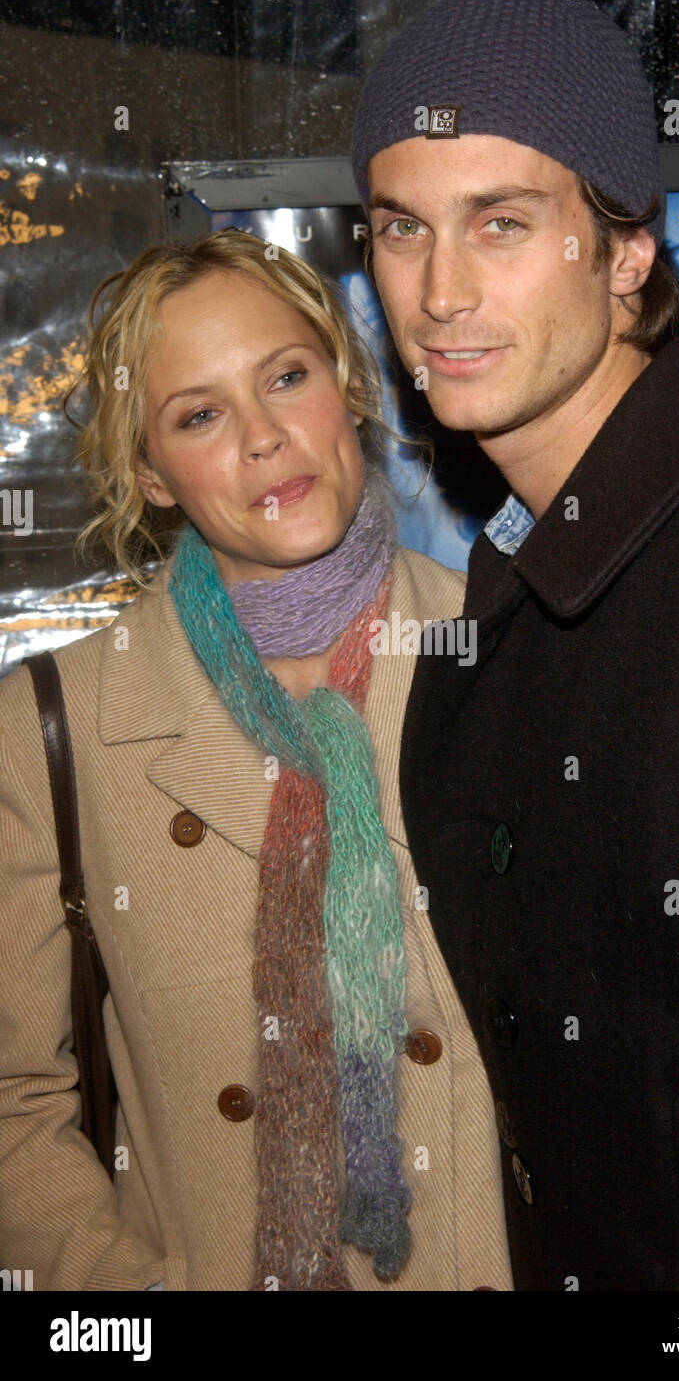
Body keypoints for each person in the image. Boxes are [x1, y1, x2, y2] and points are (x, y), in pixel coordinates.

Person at [350, 0, 679, 1291]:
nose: (438, 292)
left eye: (500, 224)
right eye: (400, 228)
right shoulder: (541, 546)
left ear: (625, 249)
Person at [0, 227, 514, 1291]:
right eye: (199, 414)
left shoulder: (511, 654)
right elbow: (12, 1101)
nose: (265, 437)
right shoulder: (51, 729)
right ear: (147, 472)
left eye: (286, 376)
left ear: (351, 386)